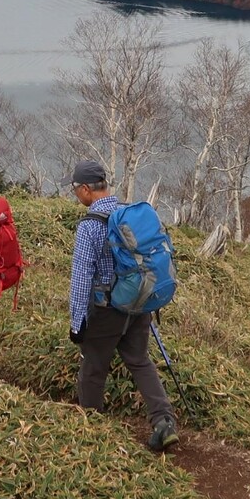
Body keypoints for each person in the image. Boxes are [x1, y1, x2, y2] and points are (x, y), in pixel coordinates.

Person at [67, 159, 179, 452]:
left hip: (106, 310)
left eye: (75, 188)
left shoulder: (90, 225)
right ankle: (164, 421)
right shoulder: (127, 212)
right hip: (139, 305)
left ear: (86, 189)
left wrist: (77, 323)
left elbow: (81, 276)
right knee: (140, 361)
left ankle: (93, 433)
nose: (76, 194)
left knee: (93, 369)